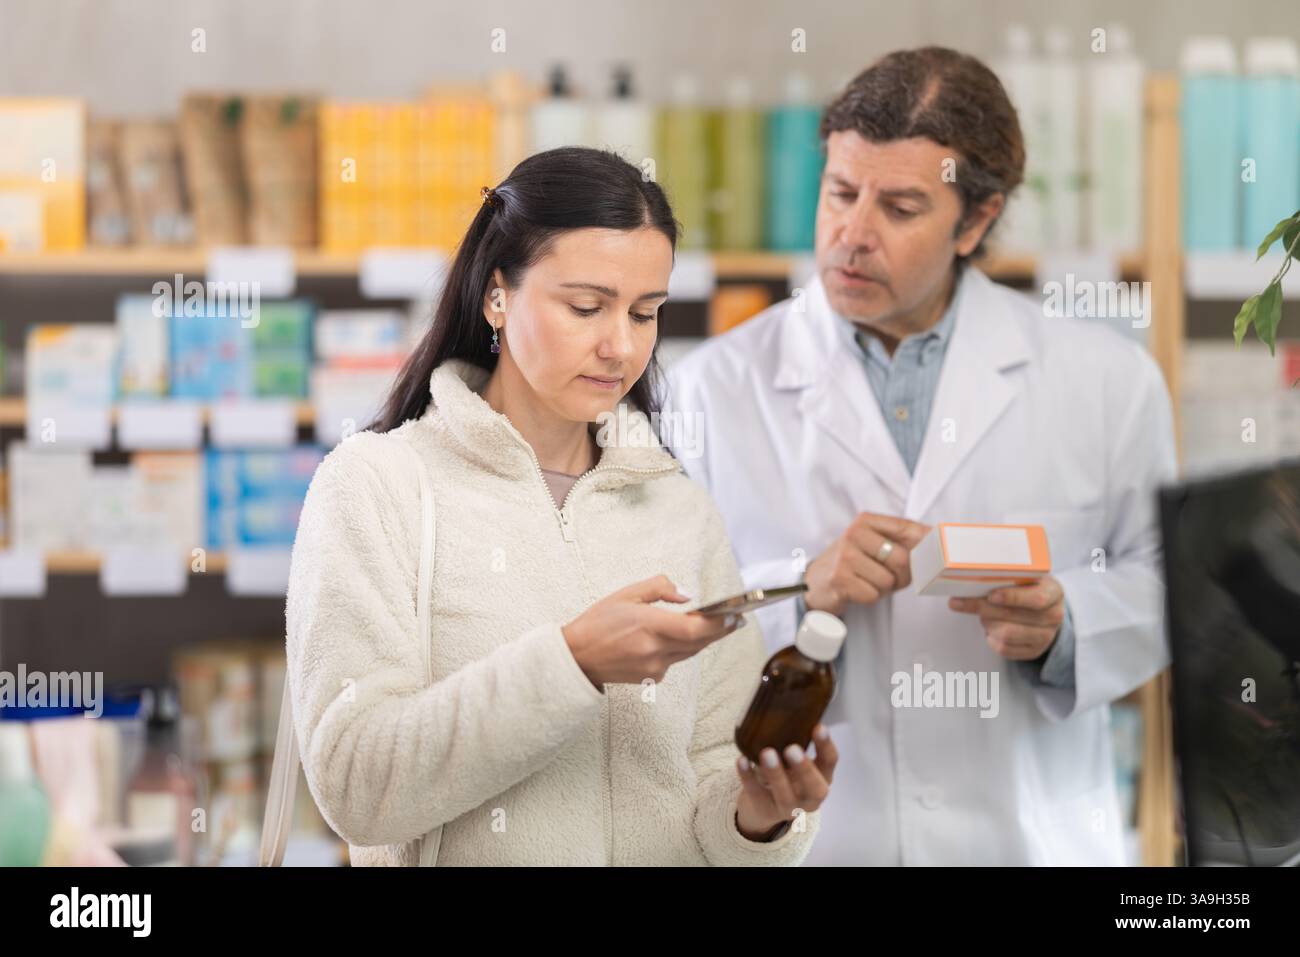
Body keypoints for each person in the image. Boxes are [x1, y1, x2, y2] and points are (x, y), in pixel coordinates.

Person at [663, 48, 1177, 865]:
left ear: (975, 221)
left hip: (1029, 839)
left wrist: (1069, 622)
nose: (852, 235)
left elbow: (1171, 583)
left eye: (900, 208)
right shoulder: (709, 390)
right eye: (839, 194)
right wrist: (802, 596)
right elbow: (668, 624)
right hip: (820, 844)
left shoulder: (1108, 381)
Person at [285, 147, 836, 866]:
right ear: (497, 294)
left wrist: (755, 816)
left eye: (646, 314)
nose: (620, 345)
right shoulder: (376, 486)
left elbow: (707, 784)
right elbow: (355, 784)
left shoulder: (680, 511)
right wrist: (570, 663)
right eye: (586, 306)